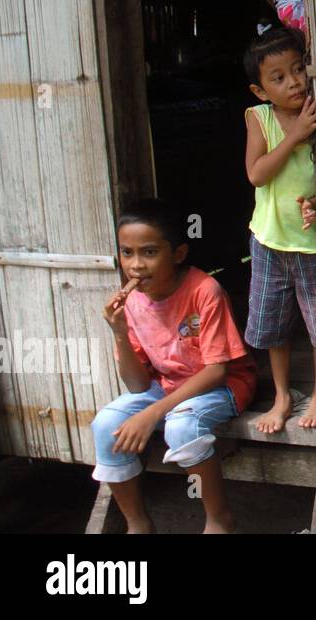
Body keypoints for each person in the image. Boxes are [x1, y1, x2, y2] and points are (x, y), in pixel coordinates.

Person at [91, 199, 257, 533]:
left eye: (149, 252)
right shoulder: (133, 302)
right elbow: (138, 386)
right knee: (105, 424)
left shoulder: (204, 291)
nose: (136, 265)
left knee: (179, 427)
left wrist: (153, 414)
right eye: (127, 253)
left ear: (178, 254)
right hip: (167, 384)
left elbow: (216, 371)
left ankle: (218, 518)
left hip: (222, 385)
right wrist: (120, 334)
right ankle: (138, 524)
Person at [243, 26, 316, 433]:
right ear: (260, 91)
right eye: (278, 77)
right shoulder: (260, 118)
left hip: (311, 242)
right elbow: (257, 175)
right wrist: (294, 135)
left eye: (298, 69)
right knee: (273, 326)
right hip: (269, 241)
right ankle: (282, 395)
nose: (293, 81)